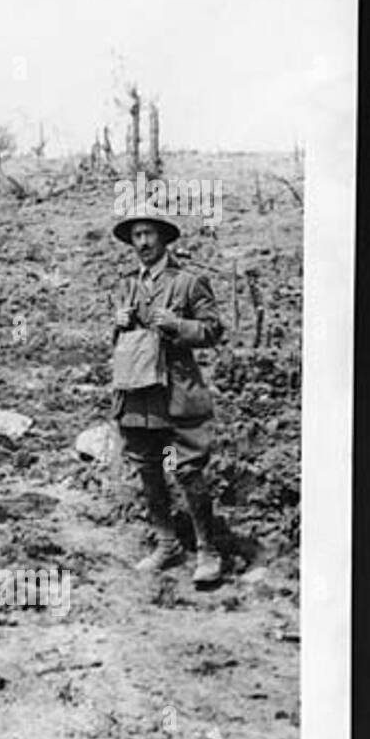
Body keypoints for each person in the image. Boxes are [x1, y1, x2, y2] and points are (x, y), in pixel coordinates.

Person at [112, 208, 227, 584]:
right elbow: (120, 341)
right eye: (136, 236)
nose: (142, 242)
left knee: (187, 467)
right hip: (139, 391)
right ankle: (166, 543)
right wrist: (118, 324)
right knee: (147, 465)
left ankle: (207, 550)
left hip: (177, 389)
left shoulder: (188, 282)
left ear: (163, 237)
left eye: (148, 234)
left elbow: (213, 330)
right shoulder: (127, 284)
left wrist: (178, 325)